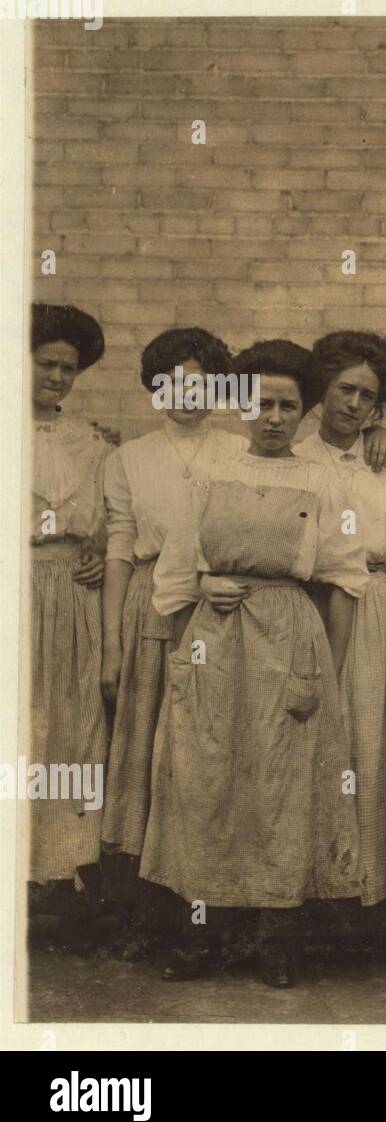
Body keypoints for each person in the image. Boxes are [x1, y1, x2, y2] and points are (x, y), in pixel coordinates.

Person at [142, 339, 368, 989]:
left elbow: (345, 579)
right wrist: (206, 589)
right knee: (207, 780)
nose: (273, 416)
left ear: (305, 412)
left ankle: (275, 940)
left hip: (289, 639)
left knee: (281, 788)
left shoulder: (322, 480)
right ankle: (202, 934)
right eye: (262, 403)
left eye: (287, 406)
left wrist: (331, 673)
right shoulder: (209, 475)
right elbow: (176, 575)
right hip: (214, 642)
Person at [100, 328, 246, 960]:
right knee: (149, 753)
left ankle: (215, 913)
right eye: (175, 382)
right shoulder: (129, 456)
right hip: (150, 608)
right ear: (156, 387)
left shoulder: (239, 450)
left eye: (204, 382)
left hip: (221, 610)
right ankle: (150, 915)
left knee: (211, 753)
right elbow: (117, 547)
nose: (189, 395)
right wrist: (111, 644)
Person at [297, 330, 386, 913]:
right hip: (310, 602)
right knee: (313, 738)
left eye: (369, 396)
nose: (354, 405)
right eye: (344, 389)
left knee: (370, 742)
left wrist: (380, 439)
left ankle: (363, 894)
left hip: (376, 603)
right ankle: (305, 889)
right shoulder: (294, 456)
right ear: (321, 390)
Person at [27, 303, 112, 950]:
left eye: (68, 367)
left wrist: (97, 549)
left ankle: (61, 874)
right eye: (45, 363)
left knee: (71, 725)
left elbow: (111, 520)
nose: (57, 376)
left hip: (73, 598)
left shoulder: (93, 441)